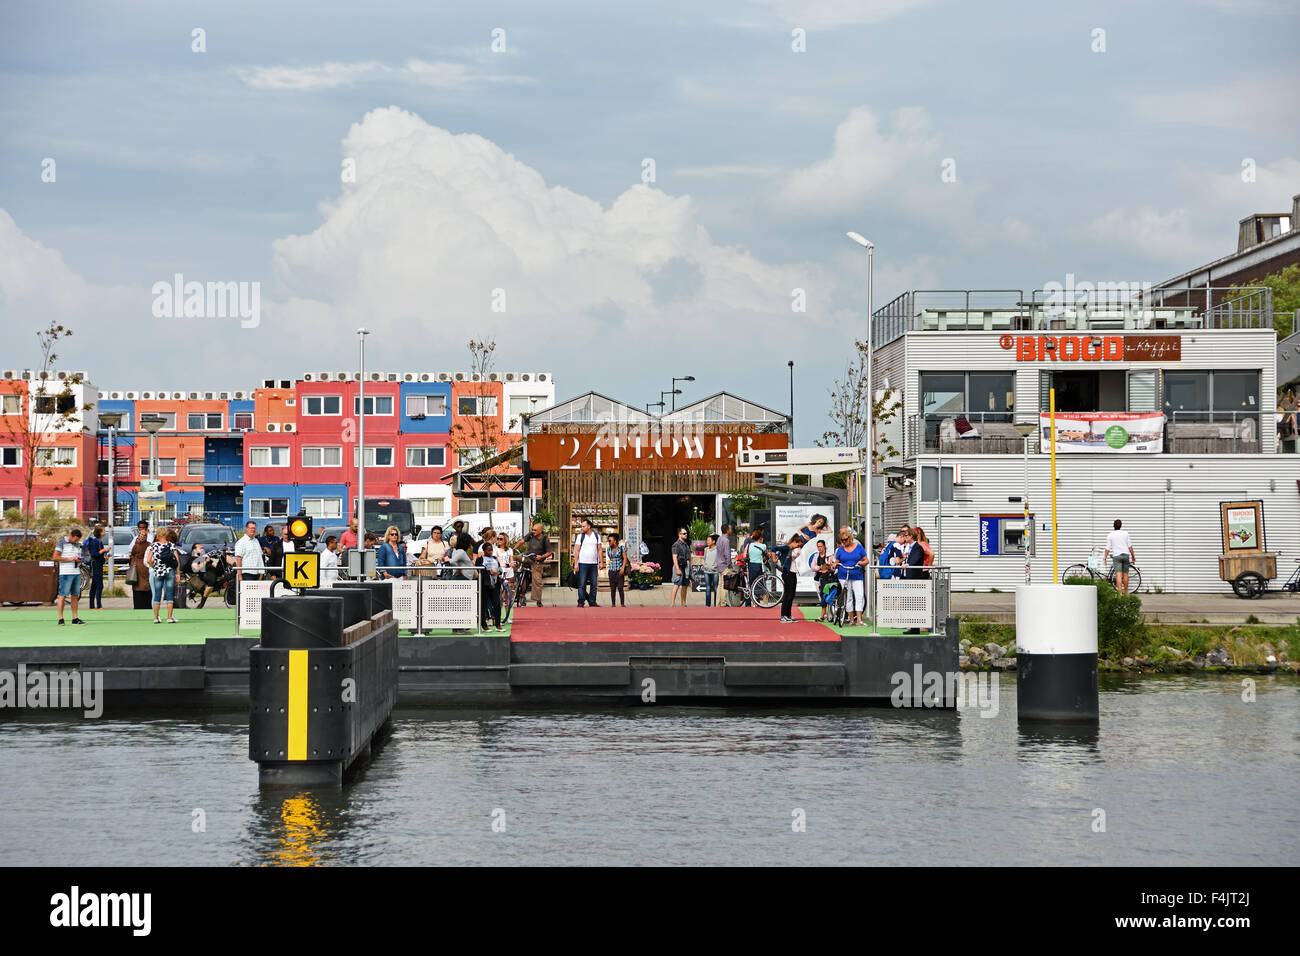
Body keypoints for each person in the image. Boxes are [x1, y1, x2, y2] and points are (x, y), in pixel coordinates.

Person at [833, 526, 870, 627]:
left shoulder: (858, 547)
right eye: (842, 540)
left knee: (859, 596)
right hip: (843, 575)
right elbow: (836, 561)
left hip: (856, 574)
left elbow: (866, 560)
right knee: (848, 597)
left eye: (846, 539)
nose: (844, 542)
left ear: (850, 538)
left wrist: (861, 563)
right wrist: (834, 564)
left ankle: (859, 619)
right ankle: (851, 620)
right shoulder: (840, 550)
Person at [54, 528, 86, 625]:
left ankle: (75, 618)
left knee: (75, 595)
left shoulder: (77, 544)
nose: (76, 542)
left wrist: (79, 560)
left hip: (76, 572)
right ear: (71, 536)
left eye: (77, 540)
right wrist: (70, 559)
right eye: (75, 540)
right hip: (65, 573)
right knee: (63, 595)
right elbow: (55, 557)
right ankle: (61, 618)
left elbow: (77, 556)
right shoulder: (61, 542)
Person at [516, 522, 553, 607]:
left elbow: (549, 552)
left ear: (541, 531)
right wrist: (513, 549)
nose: (533, 531)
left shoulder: (545, 539)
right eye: (532, 529)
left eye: (535, 530)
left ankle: (538, 600)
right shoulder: (531, 535)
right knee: (517, 564)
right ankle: (521, 596)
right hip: (527, 557)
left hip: (537, 560)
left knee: (537, 580)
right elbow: (522, 541)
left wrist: (542, 556)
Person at [150, 528, 180, 623]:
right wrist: (178, 573)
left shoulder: (154, 545)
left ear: (158, 535)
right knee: (169, 594)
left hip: (158, 572)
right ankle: (169, 617)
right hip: (169, 571)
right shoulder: (171, 545)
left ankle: (156, 617)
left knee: (157, 595)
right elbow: (177, 560)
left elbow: (148, 560)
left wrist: (154, 566)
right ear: (166, 535)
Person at [771, 533, 803, 623]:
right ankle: (783, 615)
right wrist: (774, 559)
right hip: (787, 573)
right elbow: (774, 549)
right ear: (794, 542)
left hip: (792, 572)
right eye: (797, 544)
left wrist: (777, 557)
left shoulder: (791, 549)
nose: (798, 547)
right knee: (787, 594)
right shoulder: (787, 547)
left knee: (791, 594)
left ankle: (788, 615)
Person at [572, 518, 602, 607]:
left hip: (593, 563)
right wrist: (576, 563)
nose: (582, 528)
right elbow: (576, 550)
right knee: (582, 584)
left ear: (589, 526)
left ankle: (592, 601)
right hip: (583, 563)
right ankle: (581, 601)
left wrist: (601, 562)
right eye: (581, 526)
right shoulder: (580, 536)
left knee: (594, 584)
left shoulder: (596, 536)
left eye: (583, 526)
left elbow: (599, 549)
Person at [475, 541, 504, 630]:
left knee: (497, 603)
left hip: (495, 584)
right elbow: (479, 570)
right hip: (485, 584)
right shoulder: (480, 559)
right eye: (488, 550)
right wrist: (489, 572)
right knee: (483, 605)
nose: (490, 552)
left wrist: (498, 572)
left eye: (491, 550)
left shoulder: (494, 558)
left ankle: (498, 624)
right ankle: (484, 625)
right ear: (484, 550)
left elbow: (500, 569)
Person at [1104, 518, 1136, 595]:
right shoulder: (1126, 534)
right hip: (1125, 555)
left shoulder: (1111, 535)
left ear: (1113, 526)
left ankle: (1120, 594)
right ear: (1121, 526)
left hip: (1117, 556)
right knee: (1125, 574)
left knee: (1118, 575)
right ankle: (1126, 593)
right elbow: (1130, 546)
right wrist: (1133, 556)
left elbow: (1108, 548)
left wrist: (1104, 558)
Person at [128, 524, 153, 609]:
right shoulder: (149, 544)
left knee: (137, 586)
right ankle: (147, 605)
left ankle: (138, 606)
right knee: (147, 586)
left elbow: (132, 553)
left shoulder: (136, 545)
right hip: (146, 566)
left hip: (137, 567)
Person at [811, 539, 836, 621]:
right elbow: (812, 567)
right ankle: (824, 614)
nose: (819, 548)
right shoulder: (816, 556)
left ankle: (829, 614)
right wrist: (820, 568)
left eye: (821, 546)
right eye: (818, 546)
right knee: (821, 596)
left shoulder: (830, 555)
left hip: (828, 579)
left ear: (824, 546)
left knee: (827, 596)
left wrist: (827, 567)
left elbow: (833, 567)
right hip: (818, 579)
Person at [744, 528, 767, 607]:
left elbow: (744, 555)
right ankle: (762, 603)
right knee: (761, 585)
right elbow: (765, 556)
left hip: (751, 566)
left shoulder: (749, 545)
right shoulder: (763, 546)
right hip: (759, 566)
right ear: (760, 537)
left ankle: (751, 603)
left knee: (751, 585)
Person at [669, 527, 691, 607]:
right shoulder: (676, 545)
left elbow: (689, 557)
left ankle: (683, 603)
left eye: (686, 533)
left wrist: (690, 570)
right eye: (684, 533)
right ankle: (672, 603)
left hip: (686, 567)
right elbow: (674, 557)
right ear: (679, 534)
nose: (686, 535)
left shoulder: (686, 545)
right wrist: (677, 569)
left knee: (685, 585)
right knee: (677, 584)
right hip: (679, 566)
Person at [86, 525, 106, 610]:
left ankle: (92, 605)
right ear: (100, 533)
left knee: (94, 585)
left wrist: (105, 557)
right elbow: (94, 554)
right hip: (95, 565)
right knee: (99, 585)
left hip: (98, 564)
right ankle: (98, 605)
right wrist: (103, 551)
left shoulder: (99, 541)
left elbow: (99, 555)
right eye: (104, 530)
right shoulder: (96, 542)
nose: (105, 532)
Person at [605, 533, 628, 607]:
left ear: (615, 541)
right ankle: (613, 604)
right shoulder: (608, 548)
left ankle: (622, 603)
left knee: (620, 587)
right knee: (612, 588)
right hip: (611, 570)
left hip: (619, 570)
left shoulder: (621, 548)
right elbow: (610, 557)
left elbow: (625, 559)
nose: (609, 542)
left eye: (610, 541)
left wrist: (623, 568)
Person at [715, 523, 733, 607]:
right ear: (727, 530)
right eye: (730, 528)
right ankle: (723, 603)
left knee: (720, 585)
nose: (731, 529)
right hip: (725, 565)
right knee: (725, 585)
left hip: (719, 564)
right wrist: (729, 564)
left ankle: (718, 603)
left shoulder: (719, 539)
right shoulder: (726, 540)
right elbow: (727, 554)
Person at [702, 534, 720, 607]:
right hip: (706, 571)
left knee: (716, 588)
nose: (707, 542)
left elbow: (720, 558)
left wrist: (717, 564)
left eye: (709, 540)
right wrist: (703, 563)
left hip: (715, 572)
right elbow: (704, 558)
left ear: (713, 541)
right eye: (707, 540)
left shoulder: (717, 549)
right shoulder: (706, 549)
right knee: (708, 588)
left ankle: (716, 604)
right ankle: (707, 605)